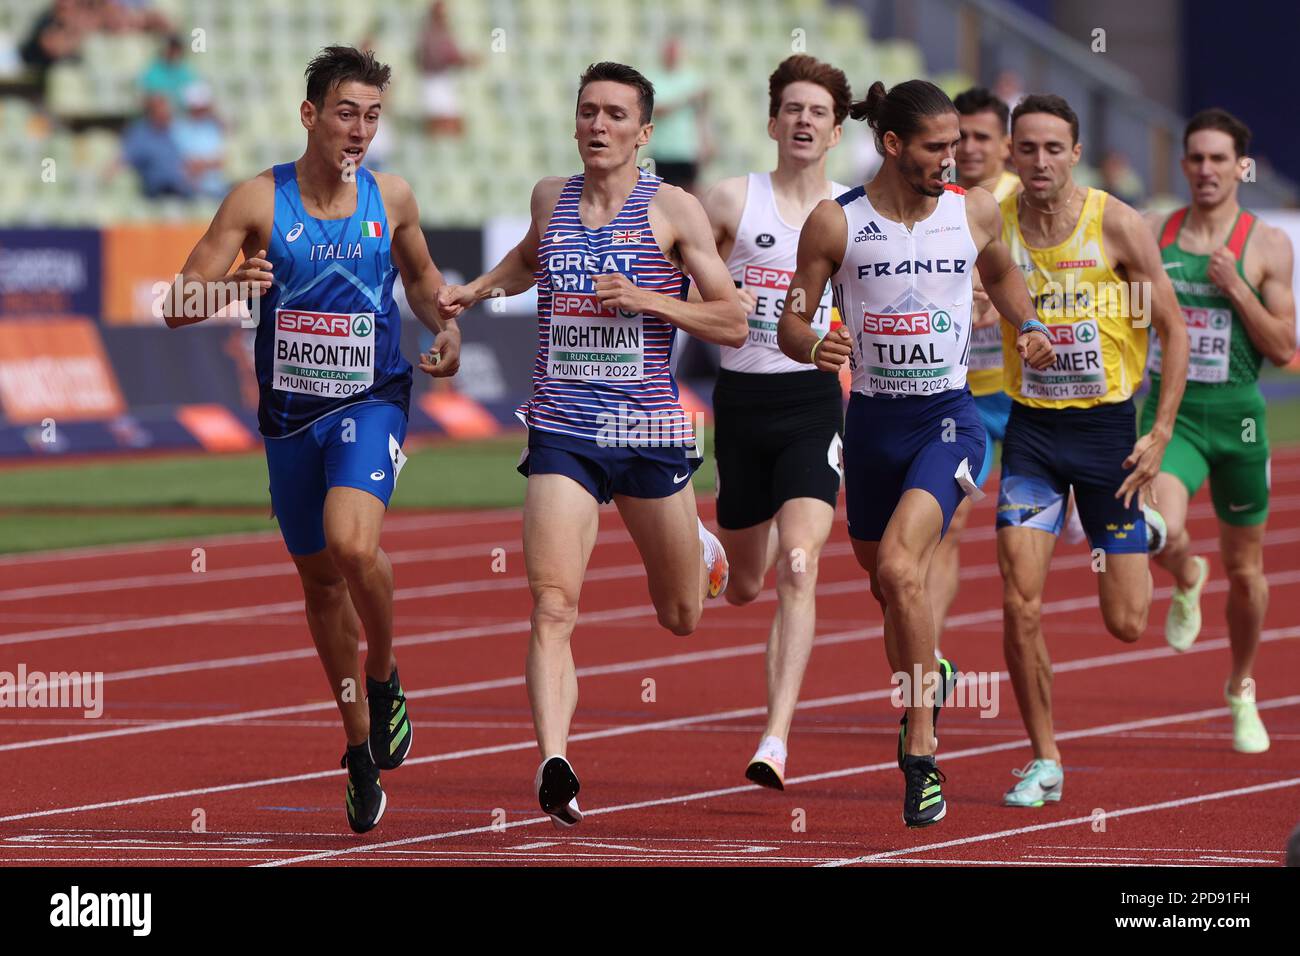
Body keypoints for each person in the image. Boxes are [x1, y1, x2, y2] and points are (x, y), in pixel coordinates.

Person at [437, 62, 746, 829]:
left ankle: (699, 547)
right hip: (563, 430)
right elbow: (530, 257)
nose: (597, 126)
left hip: (646, 432)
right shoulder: (553, 197)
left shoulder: (673, 210)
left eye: (614, 115)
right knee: (551, 603)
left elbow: (734, 320)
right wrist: (478, 290)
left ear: (645, 133)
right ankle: (554, 760)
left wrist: (647, 298)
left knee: (680, 615)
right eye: (587, 113)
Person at [162, 46, 462, 833]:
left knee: (352, 545)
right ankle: (360, 752)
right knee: (322, 585)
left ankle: (387, 673)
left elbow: (425, 277)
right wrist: (229, 286)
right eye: (344, 113)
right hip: (289, 419)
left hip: (373, 397)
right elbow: (176, 299)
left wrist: (448, 328)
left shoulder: (390, 195)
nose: (359, 130)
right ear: (310, 115)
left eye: (371, 115)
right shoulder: (259, 200)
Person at [777, 79, 1055, 828]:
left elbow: (1002, 276)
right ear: (893, 145)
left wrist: (1028, 326)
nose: (954, 156)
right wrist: (813, 344)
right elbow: (790, 322)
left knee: (903, 567)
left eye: (957, 143)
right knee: (885, 587)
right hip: (870, 428)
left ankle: (922, 750)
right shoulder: (836, 224)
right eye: (937, 146)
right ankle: (927, 673)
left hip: (948, 420)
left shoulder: (973, 210)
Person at [995, 94, 1188, 807]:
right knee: (1019, 603)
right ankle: (1044, 757)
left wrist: (1160, 430)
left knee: (1127, 622)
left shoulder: (1115, 223)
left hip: (1109, 433)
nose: (1040, 161)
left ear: (1075, 153)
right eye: (1028, 148)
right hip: (1034, 434)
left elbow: (1172, 329)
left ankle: (1158, 534)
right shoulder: (998, 225)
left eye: (1054, 148)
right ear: (1012, 154)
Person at [698, 55, 851, 790]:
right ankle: (721, 560)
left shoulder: (853, 216)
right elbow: (671, 269)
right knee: (749, 583)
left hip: (813, 402)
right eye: (792, 108)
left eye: (817, 112)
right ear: (771, 122)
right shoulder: (732, 200)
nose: (803, 120)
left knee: (800, 563)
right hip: (741, 407)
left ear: (836, 130)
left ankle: (775, 738)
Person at [1145, 108, 1295, 753]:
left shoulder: (1266, 245)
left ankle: (1241, 687)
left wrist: (1236, 289)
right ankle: (1184, 574)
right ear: (1183, 164)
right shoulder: (1154, 232)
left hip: (1238, 420)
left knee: (1248, 573)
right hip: (1172, 415)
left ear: (1241, 167)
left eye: (1218, 159)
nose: (1206, 170)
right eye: (1196, 158)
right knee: (1158, 530)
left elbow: (1286, 346)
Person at [926, 87, 1020, 652]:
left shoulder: (1019, 200)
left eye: (984, 137)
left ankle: (1179, 563)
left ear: (1007, 145)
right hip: (967, 393)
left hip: (1034, 395)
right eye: (962, 138)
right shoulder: (939, 200)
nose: (971, 149)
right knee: (950, 525)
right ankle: (927, 656)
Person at [648, 38, 711, 193]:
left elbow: (700, 115)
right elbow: (655, 110)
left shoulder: (692, 78)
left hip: (687, 149)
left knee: (689, 194)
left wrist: (706, 141)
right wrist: (685, 99)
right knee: (660, 195)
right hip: (662, 149)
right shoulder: (653, 79)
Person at [121, 93, 192, 198]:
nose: (166, 115)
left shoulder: (176, 131)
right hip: (156, 191)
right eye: (162, 112)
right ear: (152, 113)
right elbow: (125, 158)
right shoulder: (140, 134)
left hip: (183, 188)